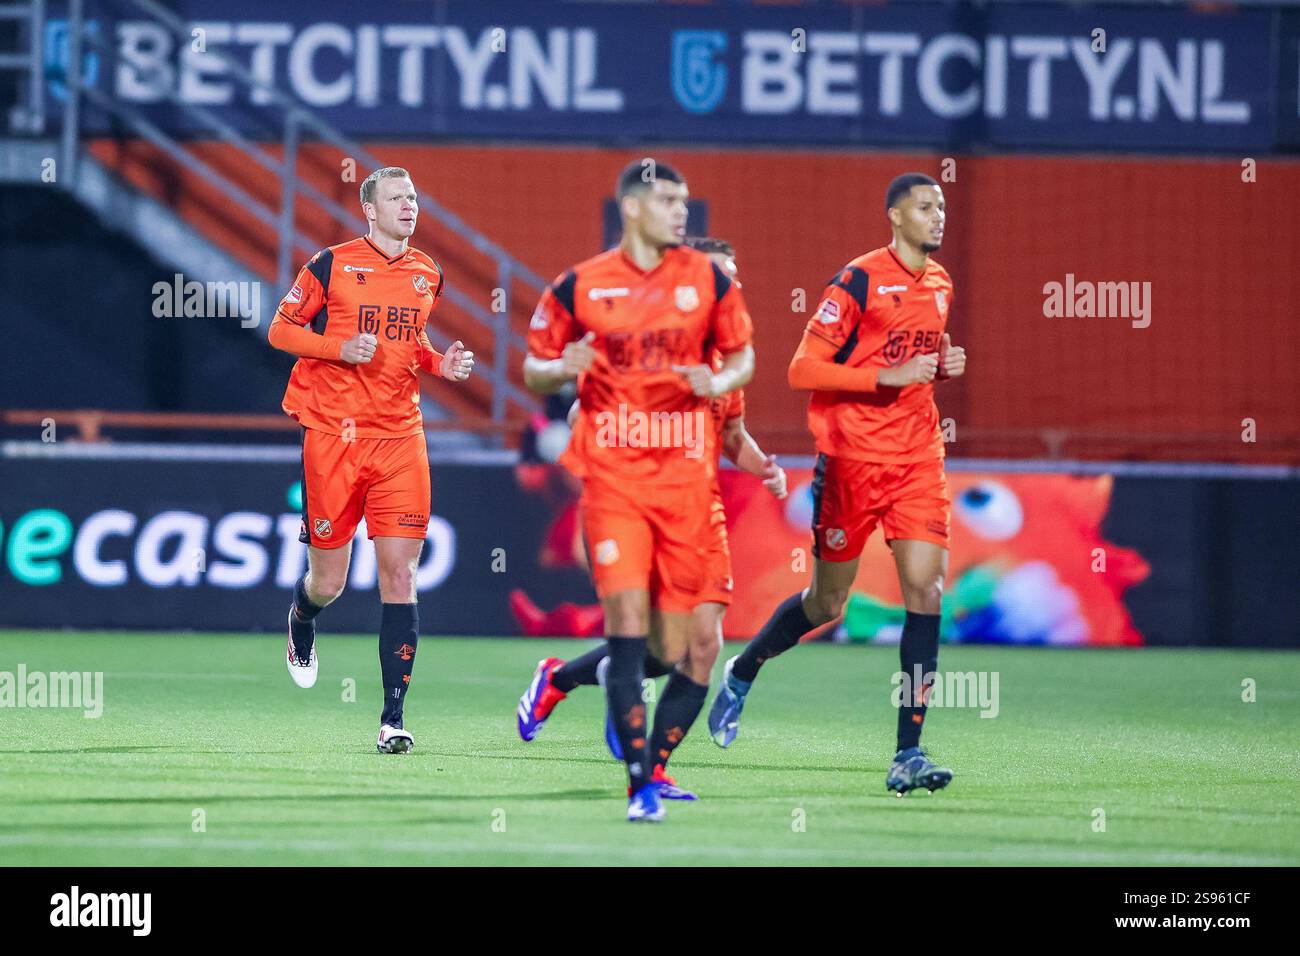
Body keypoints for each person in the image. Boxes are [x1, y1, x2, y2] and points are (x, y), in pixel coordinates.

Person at [707, 172, 968, 795]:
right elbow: (803, 369)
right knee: (828, 605)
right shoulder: (856, 281)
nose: (938, 217)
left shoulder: (940, 284)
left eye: (942, 207)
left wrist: (944, 367)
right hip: (851, 463)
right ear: (895, 217)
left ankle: (908, 750)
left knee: (926, 592)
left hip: (917, 462)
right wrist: (889, 376)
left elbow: (920, 360)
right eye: (925, 207)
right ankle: (744, 669)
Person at [518, 160, 754, 821]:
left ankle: (563, 681)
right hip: (620, 489)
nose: (682, 209)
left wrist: (755, 450)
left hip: (690, 501)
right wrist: (564, 376)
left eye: (685, 200)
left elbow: (740, 398)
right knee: (631, 631)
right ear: (632, 207)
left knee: (681, 650)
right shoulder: (587, 288)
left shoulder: (713, 322)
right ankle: (640, 782)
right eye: (668, 199)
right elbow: (544, 377)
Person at [268, 166, 474, 754]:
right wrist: (338, 348)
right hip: (334, 438)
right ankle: (302, 618)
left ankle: (392, 718)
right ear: (370, 209)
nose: (409, 205)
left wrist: (442, 365)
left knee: (400, 575)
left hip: (400, 439)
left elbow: (414, 347)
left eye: (413, 196)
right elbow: (281, 331)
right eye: (396, 198)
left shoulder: (427, 272)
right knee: (328, 582)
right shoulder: (331, 264)